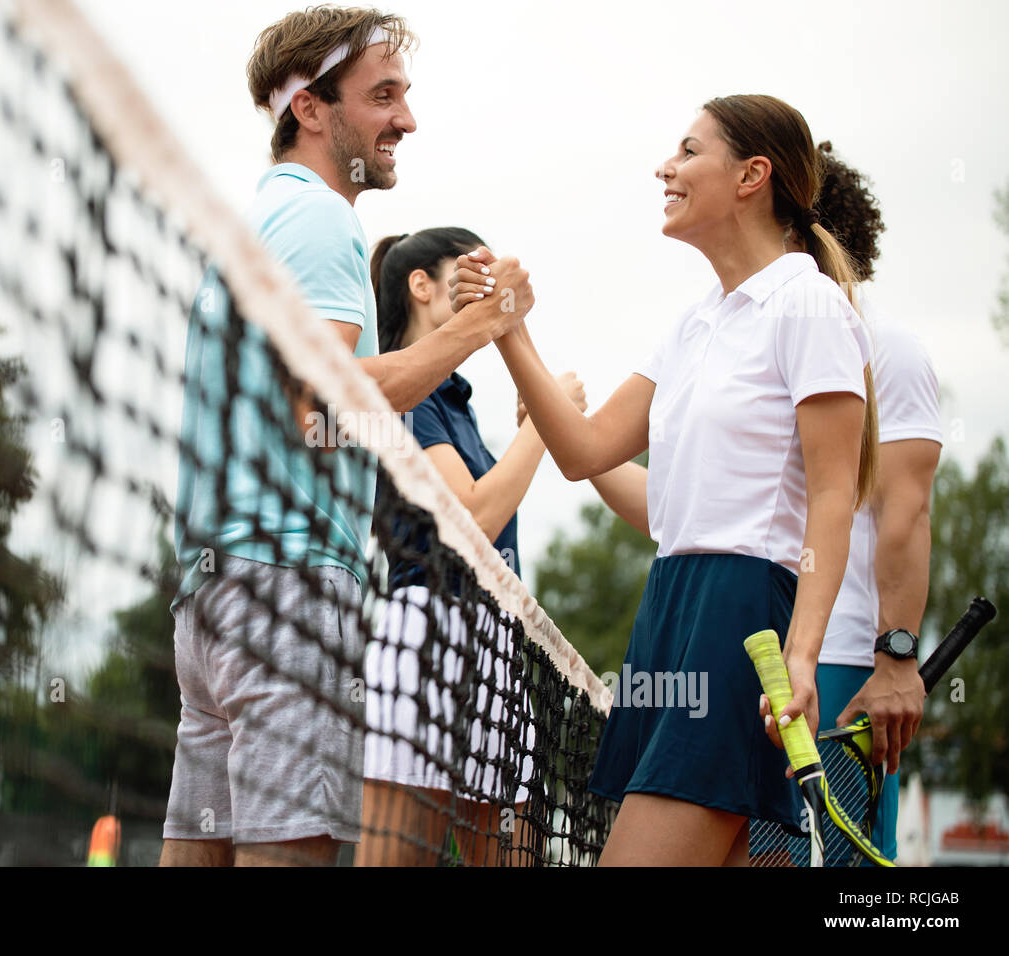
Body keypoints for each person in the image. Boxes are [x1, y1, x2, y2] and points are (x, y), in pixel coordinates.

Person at [451, 94, 878, 865]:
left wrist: (805, 656)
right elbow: (583, 450)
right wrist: (507, 328)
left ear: (753, 175)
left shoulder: (809, 304)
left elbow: (834, 497)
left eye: (687, 151)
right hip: (670, 605)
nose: (664, 168)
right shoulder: (692, 322)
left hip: (741, 616)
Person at [161, 8, 534, 867]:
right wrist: (483, 323)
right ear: (311, 108)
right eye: (384, 96)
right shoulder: (325, 222)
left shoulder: (257, 222)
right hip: (288, 585)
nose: (406, 119)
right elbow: (323, 414)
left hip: (212, 595)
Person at [585, 143, 942, 863]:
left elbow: (902, 517)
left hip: (837, 665)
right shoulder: (723, 328)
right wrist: (584, 454)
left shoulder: (883, 347)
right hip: (754, 650)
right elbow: (677, 511)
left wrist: (897, 659)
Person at [355, 226, 587, 866]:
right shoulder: (407, 390)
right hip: (426, 631)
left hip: (495, 639)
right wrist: (542, 427)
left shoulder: (457, 401)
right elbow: (473, 521)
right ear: (422, 284)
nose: (486, 277)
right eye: (467, 265)